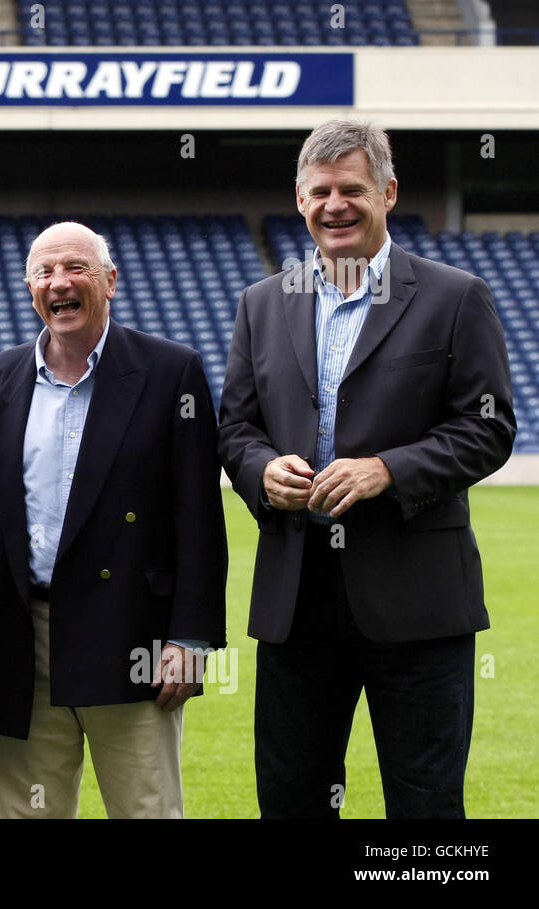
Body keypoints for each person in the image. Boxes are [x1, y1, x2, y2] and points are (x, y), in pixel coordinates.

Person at [218, 119, 516, 818]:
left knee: (425, 806)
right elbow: (236, 428)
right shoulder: (263, 303)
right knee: (291, 800)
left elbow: (490, 425)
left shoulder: (453, 295)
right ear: (299, 198)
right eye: (320, 191)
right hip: (297, 603)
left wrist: (389, 468)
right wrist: (262, 471)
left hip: (417, 602)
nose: (335, 205)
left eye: (352, 189)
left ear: (388, 191)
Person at [0, 220, 227, 818]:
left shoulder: (170, 372)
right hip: (17, 643)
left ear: (110, 281)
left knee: (146, 811)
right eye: (44, 272)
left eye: (76, 268)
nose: (60, 283)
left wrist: (190, 638)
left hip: (132, 638)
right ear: (30, 288)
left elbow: (199, 517)